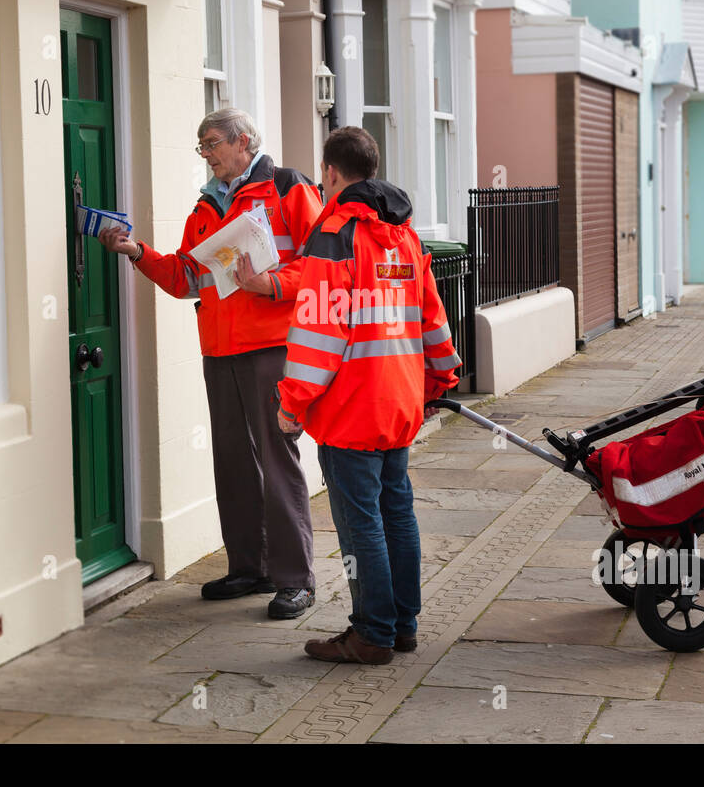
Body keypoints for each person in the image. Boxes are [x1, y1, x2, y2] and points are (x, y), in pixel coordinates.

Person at [98, 108, 323, 619]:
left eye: (212, 143)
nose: (206, 154)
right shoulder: (205, 206)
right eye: (201, 147)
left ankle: (295, 579)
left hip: (271, 346)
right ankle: (251, 567)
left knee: (277, 458)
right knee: (232, 462)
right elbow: (184, 278)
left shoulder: (288, 189)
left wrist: (269, 284)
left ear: (244, 142)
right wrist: (136, 251)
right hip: (219, 350)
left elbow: (320, 264)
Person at [276, 127, 461, 664]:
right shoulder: (405, 236)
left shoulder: (333, 236)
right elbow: (432, 318)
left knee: (363, 525)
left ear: (331, 173)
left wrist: (292, 404)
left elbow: (317, 332)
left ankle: (372, 634)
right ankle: (402, 626)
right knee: (396, 512)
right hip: (399, 400)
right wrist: (441, 378)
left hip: (351, 408)